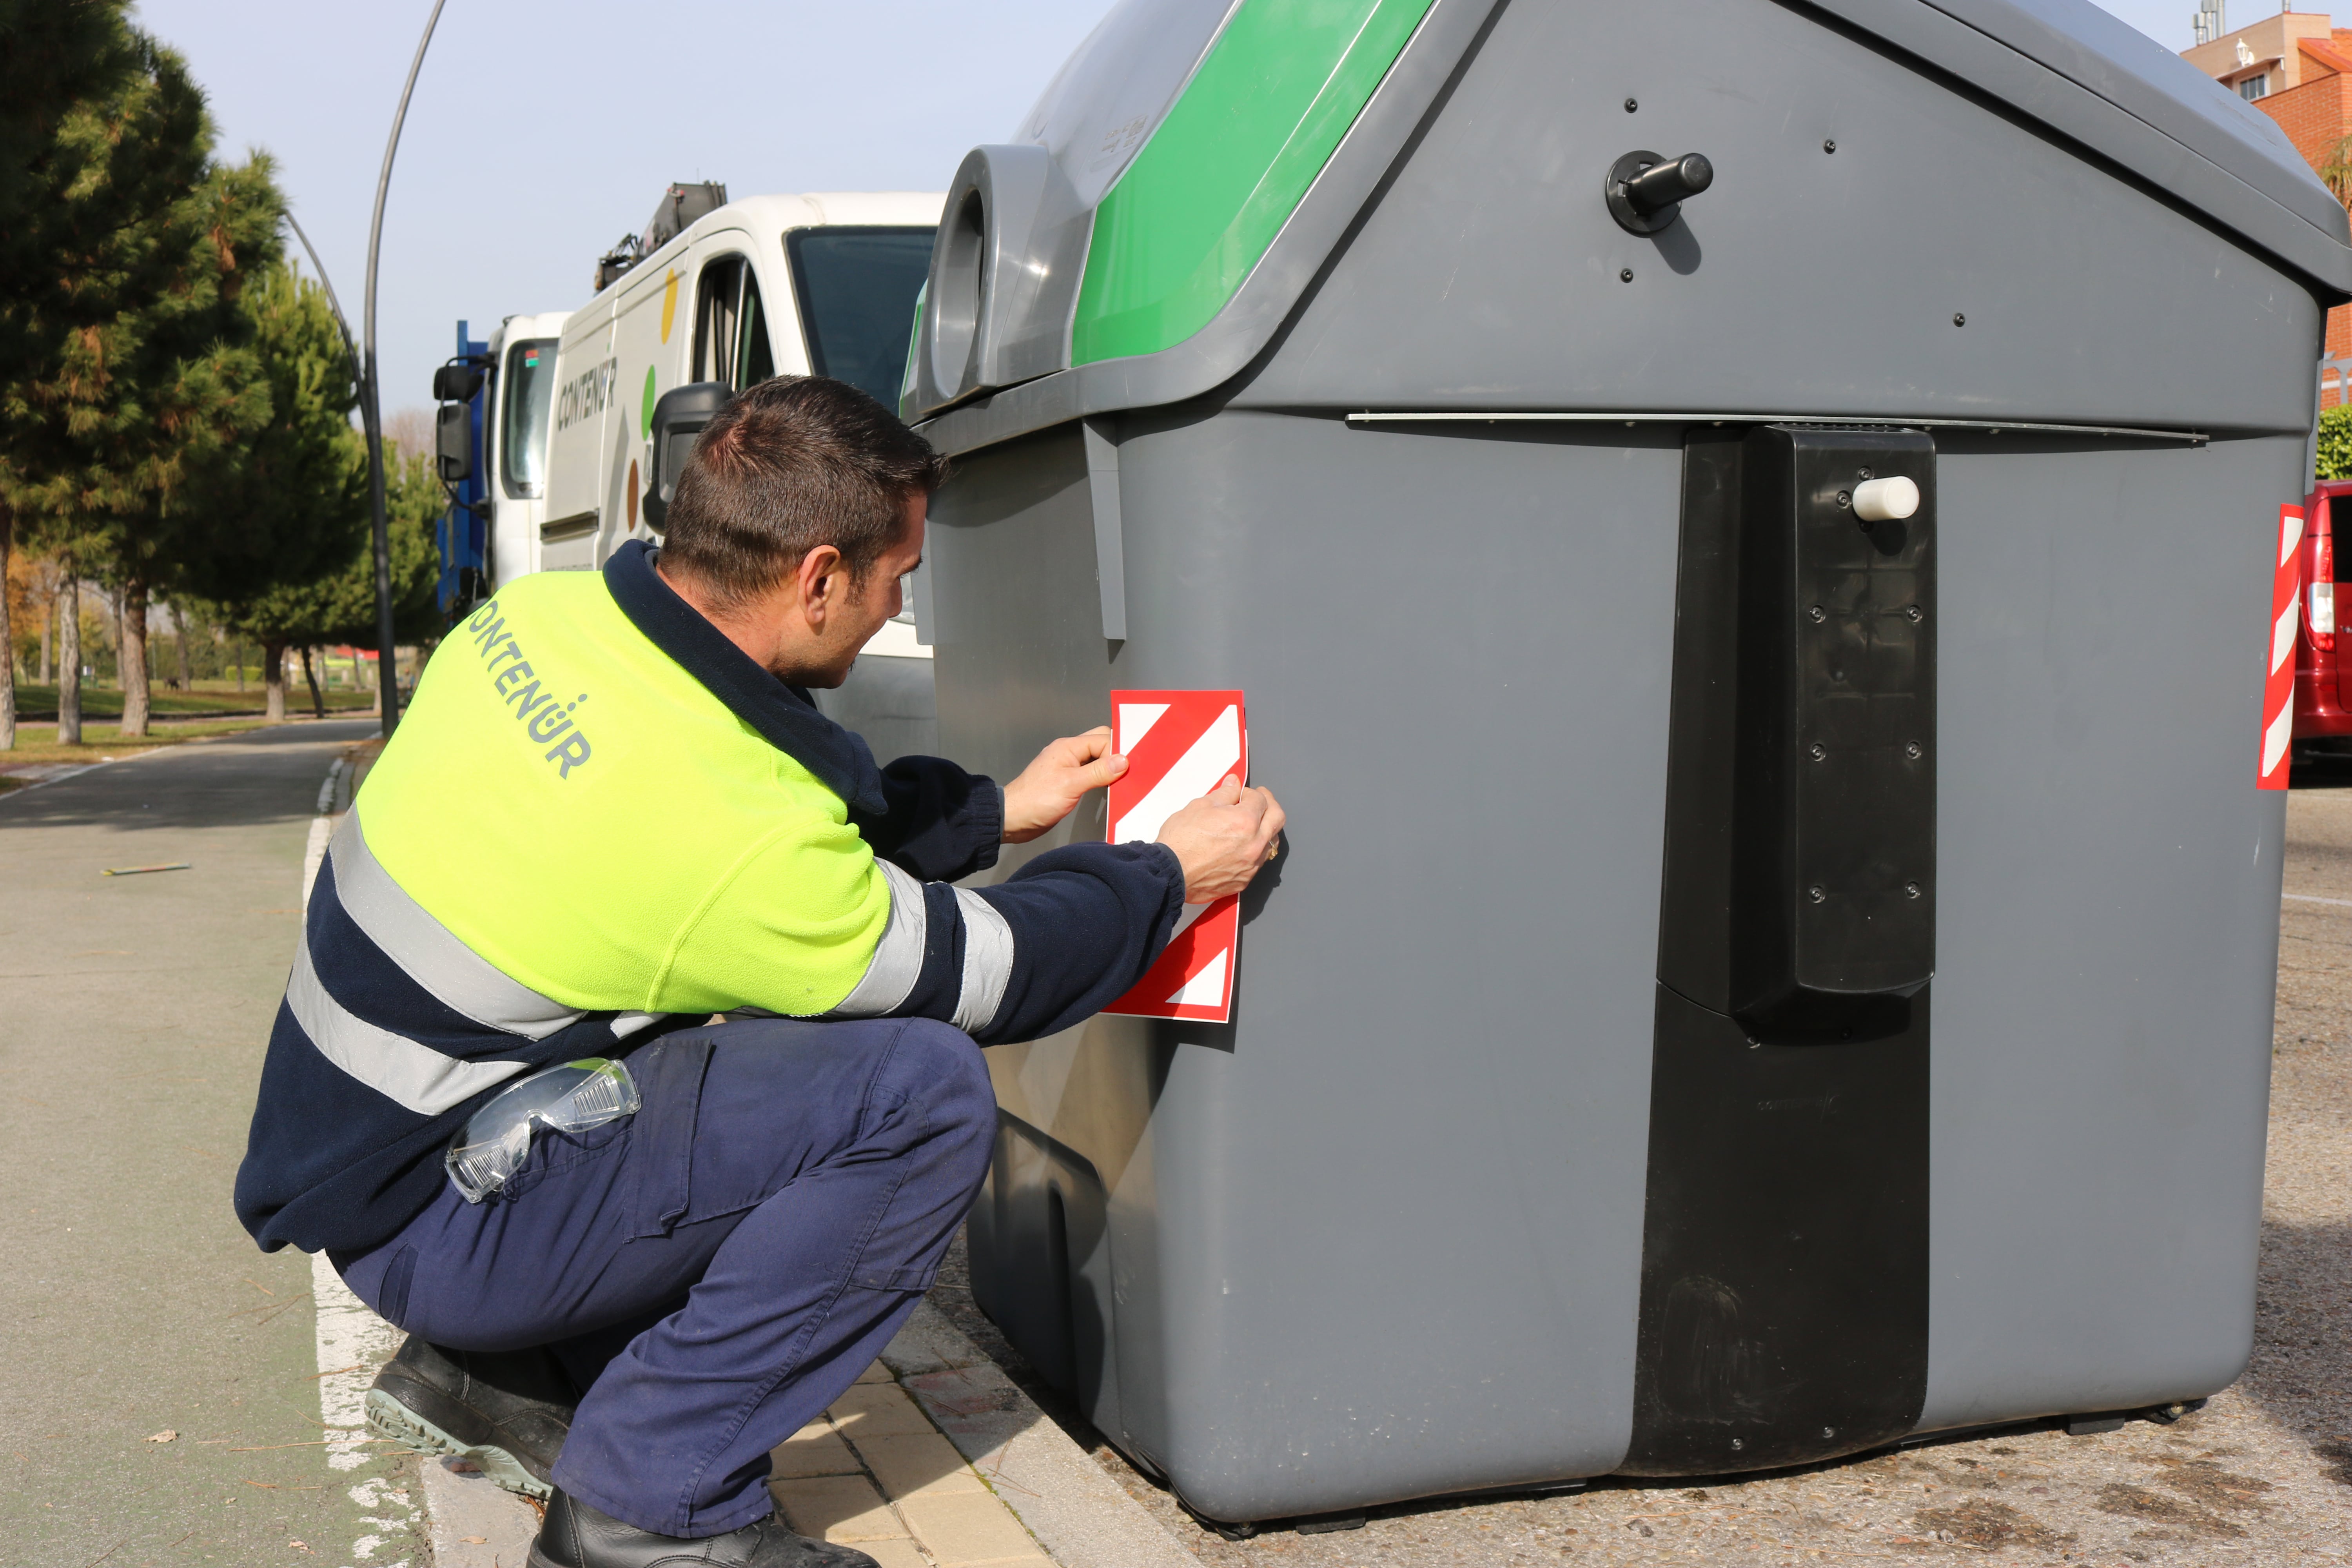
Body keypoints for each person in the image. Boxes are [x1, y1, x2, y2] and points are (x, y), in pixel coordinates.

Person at [232, 376, 1285, 1568]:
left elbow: (771, 807)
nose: (899, 606)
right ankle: (648, 1506)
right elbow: (995, 971)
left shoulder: (542, 622)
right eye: (898, 575)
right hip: (446, 1222)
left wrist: (997, 812)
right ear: (820, 577)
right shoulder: (721, 837)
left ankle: (514, 1370)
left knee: (743, 1029)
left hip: (386, 1156)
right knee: (918, 1092)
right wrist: (1166, 874)